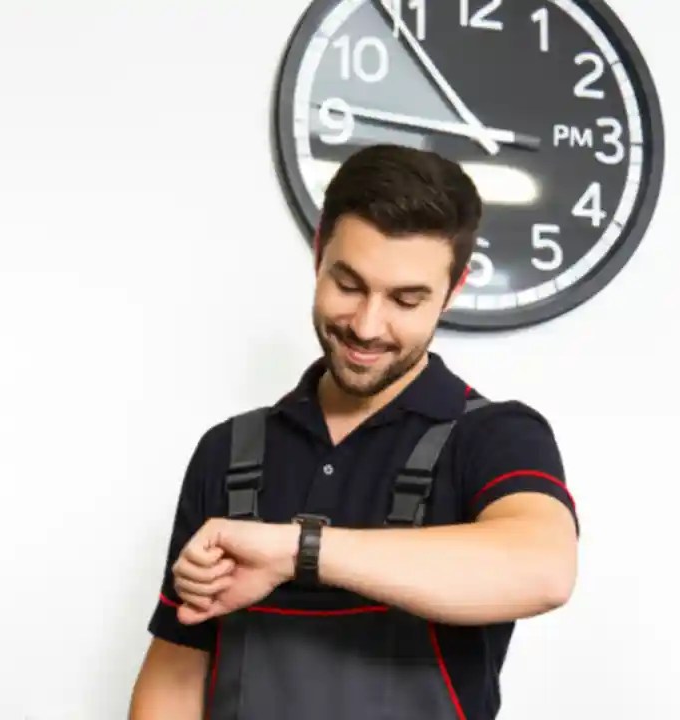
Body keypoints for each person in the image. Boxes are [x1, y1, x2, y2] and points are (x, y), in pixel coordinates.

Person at [128, 144, 579, 720]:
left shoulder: (495, 437)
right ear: (319, 252)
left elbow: (544, 569)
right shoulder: (230, 451)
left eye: (406, 300)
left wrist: (298, 552)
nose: (367, 326)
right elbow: (175, 677)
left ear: (454, 289)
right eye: (349, 285)